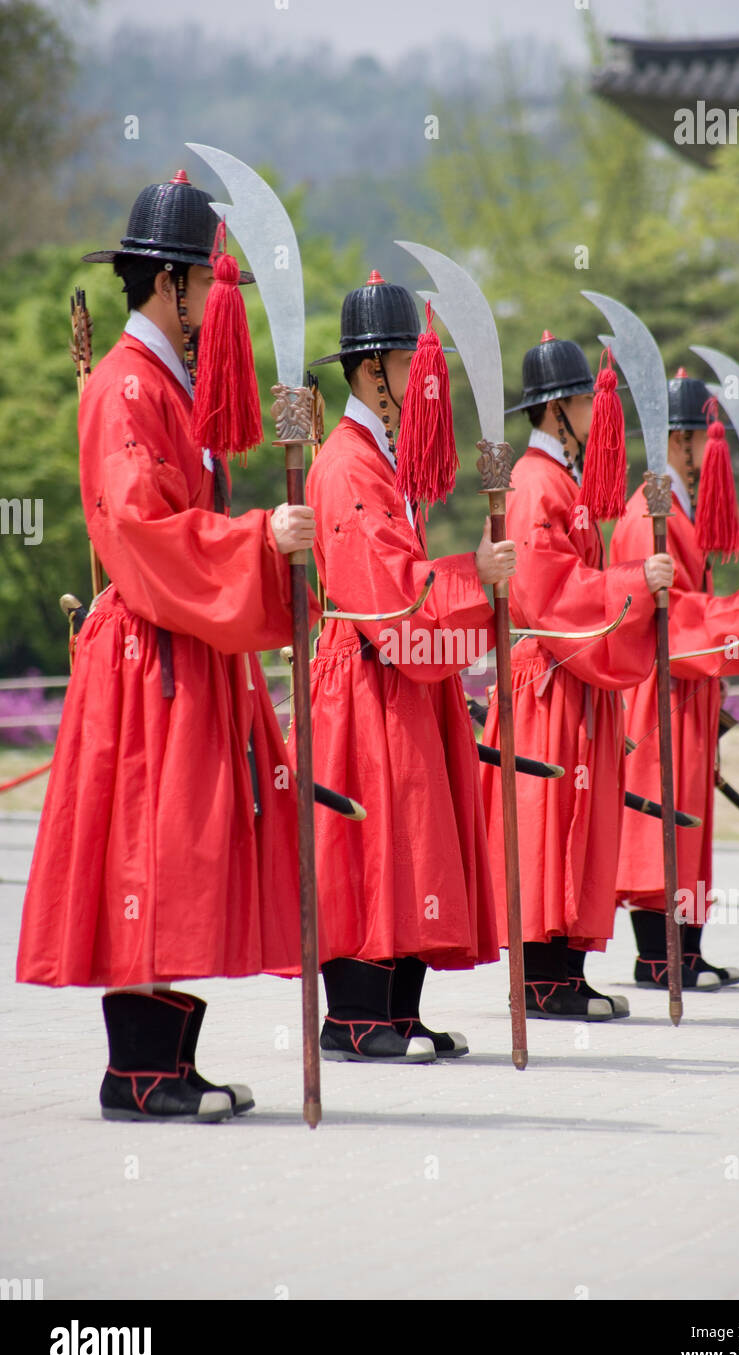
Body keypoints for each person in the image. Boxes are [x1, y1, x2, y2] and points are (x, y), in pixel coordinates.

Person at [17, 170, 320, 1121]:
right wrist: (256, 540)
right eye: (205, 279)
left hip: (185, 642)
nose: (214, 300)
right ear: (168, 285)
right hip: (150, 651)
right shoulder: (126, 388)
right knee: (152, 845)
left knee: (182, 847)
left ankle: (163, 1064)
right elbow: (143, 533)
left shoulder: (170, 383)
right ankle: (139, 1073)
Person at [304, 271, 516, 1062]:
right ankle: (355, 1017)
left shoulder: (380, 457)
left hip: (399, 673)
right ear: (370, 374)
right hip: (365, 674)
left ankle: (393, 1010)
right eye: (411, 367)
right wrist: (474, 573)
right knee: (372, 837)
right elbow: (385, 593)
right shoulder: (349, 464)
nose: (428, 384)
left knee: (413, 833)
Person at [480, 331, 673, 1020]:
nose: (600, 414)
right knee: (545, 819)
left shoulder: (564, 480)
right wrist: (632, 579)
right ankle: (539, 974)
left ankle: (563, 968)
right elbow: (545, 589)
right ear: (559, 408)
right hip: (547, 672)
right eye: (589, 403)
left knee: (579, 821)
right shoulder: (536, 483)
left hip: (575, 668)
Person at [610, 369, 739, 988]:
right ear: (680, 442)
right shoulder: (644, 518)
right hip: (658, 686)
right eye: (706, 443)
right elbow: (670, 619)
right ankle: (658, 957)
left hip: (690, 685)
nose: (716, 458)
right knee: (661, 815)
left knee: (690, 815)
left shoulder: (678, 512)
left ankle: (685, 950)